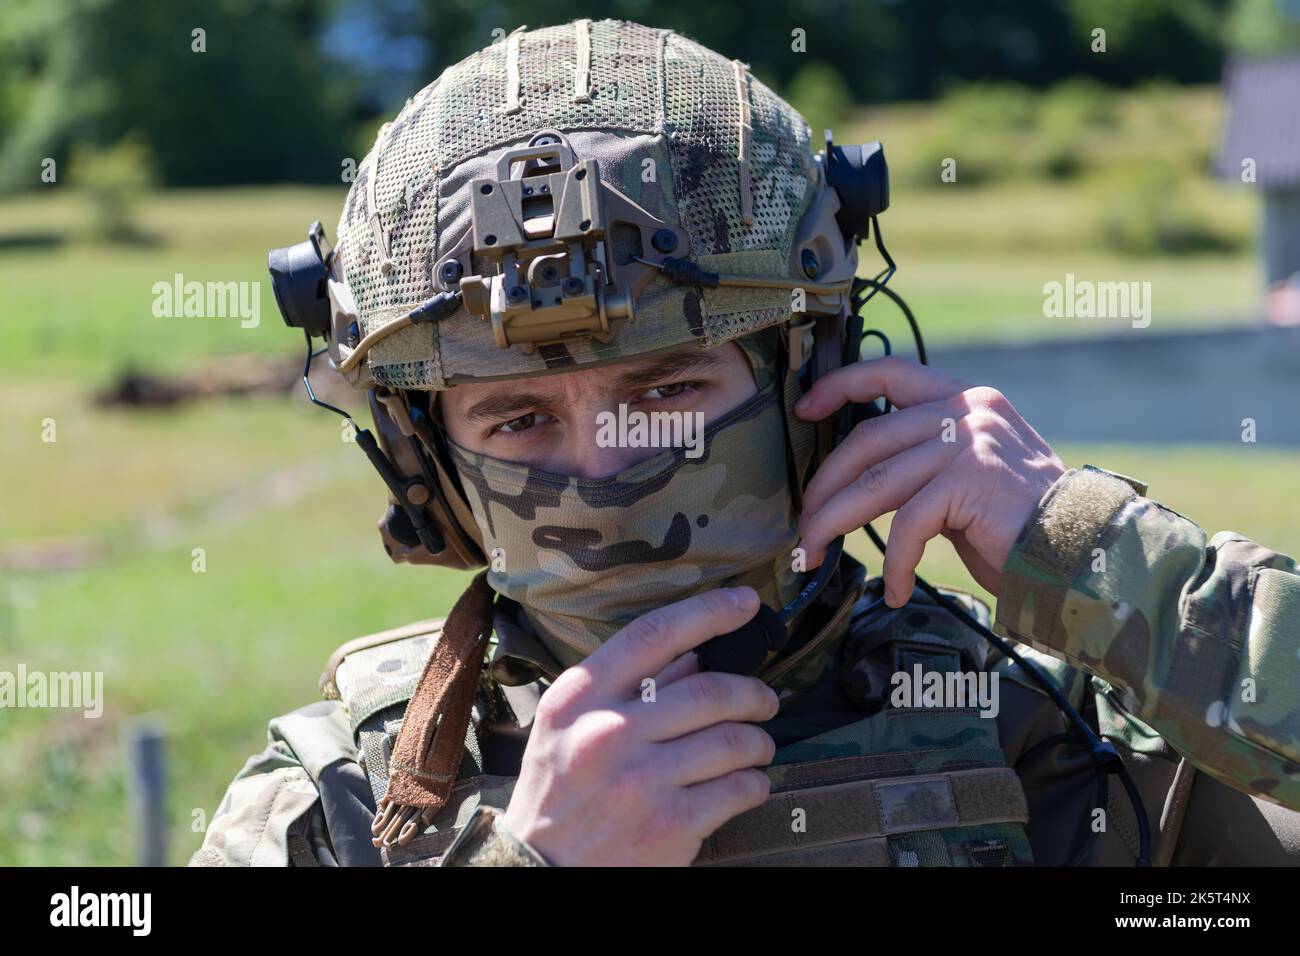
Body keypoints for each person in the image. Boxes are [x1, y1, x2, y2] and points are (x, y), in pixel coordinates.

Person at [191, 19, 1300, 868]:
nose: (604, 466)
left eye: (668, 388)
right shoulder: (345, 796)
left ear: (806, 380)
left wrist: (1103, 563)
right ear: (429, 462)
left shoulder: (1035, 716)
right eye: (519, 417)